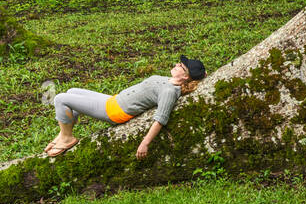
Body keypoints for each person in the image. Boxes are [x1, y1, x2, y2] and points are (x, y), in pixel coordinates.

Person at [45, 56, 207, 160]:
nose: (178, 64)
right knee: (72, 91)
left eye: (182, 66)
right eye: (180, 62)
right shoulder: (169, 80)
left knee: (60, 99)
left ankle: (67, 138)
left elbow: (160, 119)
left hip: (114, 111)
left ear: (185, 76)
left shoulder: (170, 91)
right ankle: (62, 134)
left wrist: (145, 143)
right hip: (113, 100)